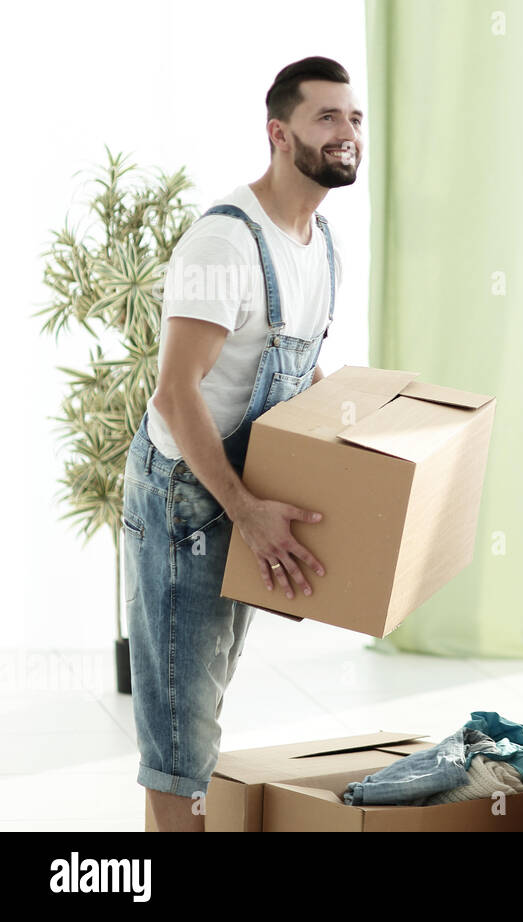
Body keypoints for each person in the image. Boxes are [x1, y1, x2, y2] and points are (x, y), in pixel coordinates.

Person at [121, 56, 363, 831]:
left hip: (245, 497)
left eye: (354, 118)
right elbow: (175, 394)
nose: (346, 133)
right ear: (277, 132)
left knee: (202, 706)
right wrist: (247, 510)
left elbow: (299, 373)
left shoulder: (319, 244)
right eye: (326, 117)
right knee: (180, 740)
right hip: (188, 501)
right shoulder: (225, 244)